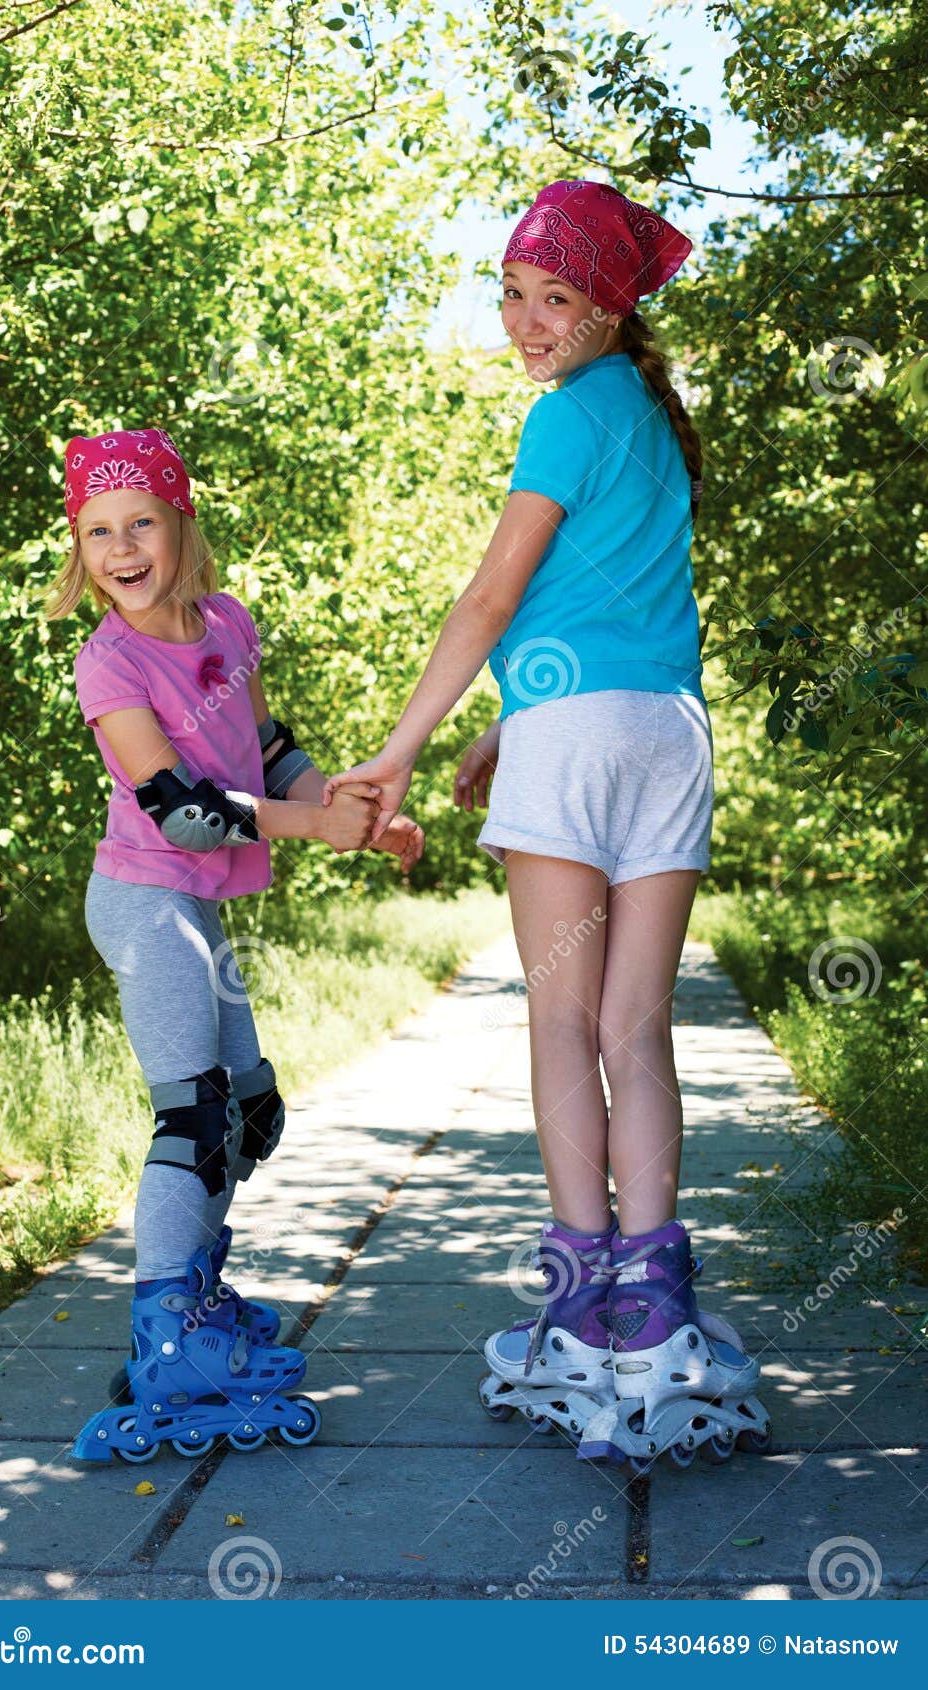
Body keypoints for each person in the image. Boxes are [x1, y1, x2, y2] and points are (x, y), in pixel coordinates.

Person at [324, 180, 770, 1473]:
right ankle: (656, 1309)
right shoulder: (646, 416)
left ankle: (580, 1310)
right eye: (510, 295)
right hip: (664, 733)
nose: (524, 321)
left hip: (576, 743)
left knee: (561, 1022)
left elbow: (490, 597)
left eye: (553, 298)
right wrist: (507, 723)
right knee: (637, 1026)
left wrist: (400, 748)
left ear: (607, 307)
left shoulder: (560, 417)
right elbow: (601, 613)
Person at [45, 426, 423, 1462]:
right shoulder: (106, 662)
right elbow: (182, 810)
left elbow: (267, 752)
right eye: (97, 532)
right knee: (195, 1113)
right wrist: (314, 826)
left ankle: (196, 1297)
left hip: (195, 911)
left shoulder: (228, 624)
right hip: (142, 900)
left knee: (250, 1111)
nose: (121, 548)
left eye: (141, 523)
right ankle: (166, 1334)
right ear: (80, 551)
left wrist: (356, 813)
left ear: (182, 524)